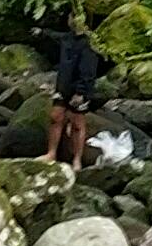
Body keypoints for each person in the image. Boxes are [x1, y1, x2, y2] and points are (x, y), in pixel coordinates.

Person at [46, 9, 107, 167]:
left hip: (81, 88)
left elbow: (88, 70)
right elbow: (55, 37)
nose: (69, 19)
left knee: (77, 124)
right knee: (55, 116)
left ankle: (77, 159)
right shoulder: (68, 38)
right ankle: (51, 153)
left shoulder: (90, 43)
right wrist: (41, 33)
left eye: (71, 16)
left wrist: (81, 92)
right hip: (63, 84)